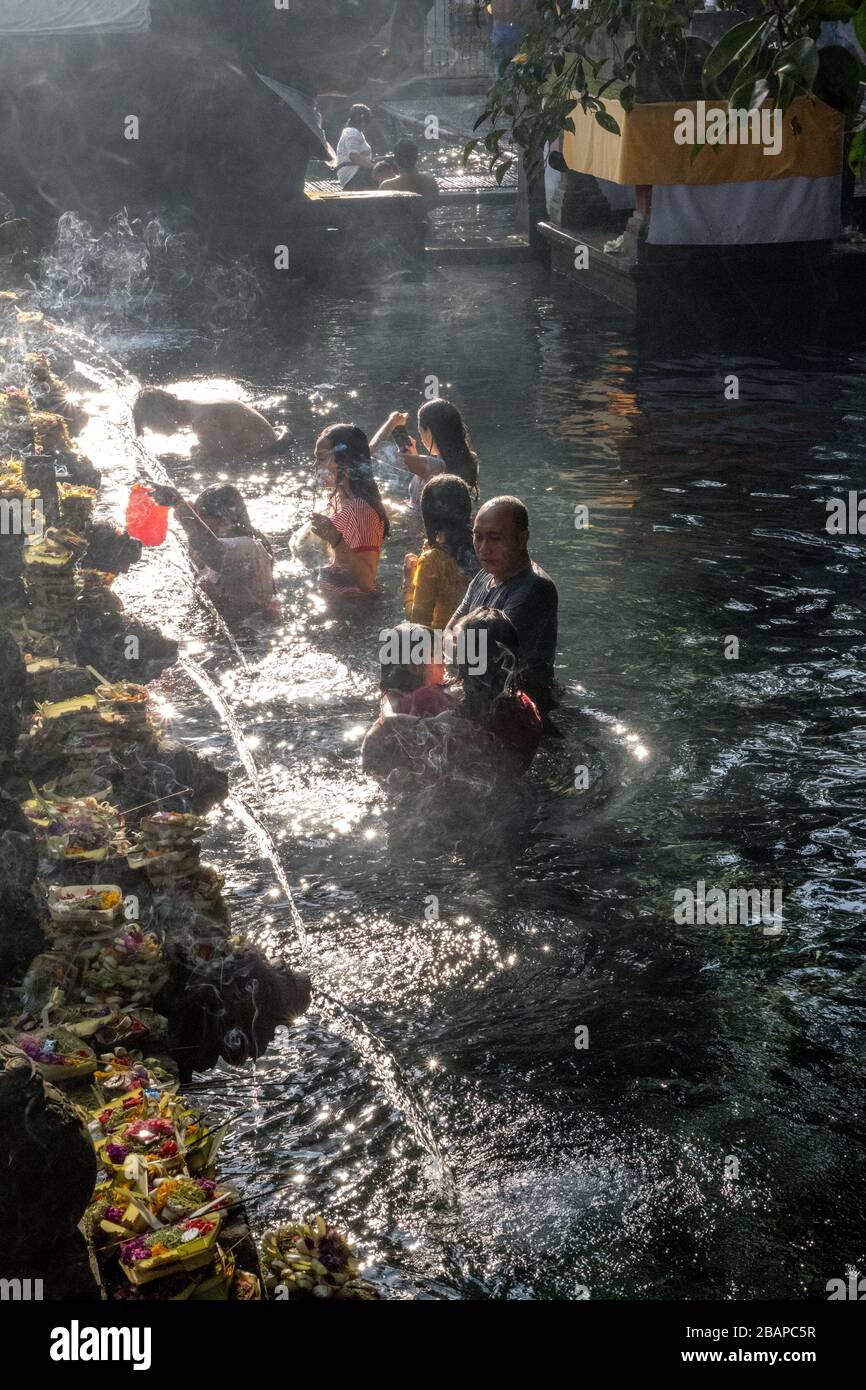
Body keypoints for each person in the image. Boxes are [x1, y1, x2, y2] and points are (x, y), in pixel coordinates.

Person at [448, 495, 558, 713]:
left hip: (517, 708)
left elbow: (490, 660)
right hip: (479, 694)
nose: (483, 548)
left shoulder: (534, 589)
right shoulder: (484, 576)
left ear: (521, 539)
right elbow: (450, 631)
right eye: (478, 537)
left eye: (495, 538)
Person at [152, 483, 276, 619]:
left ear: (225, 520)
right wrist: (185, 515)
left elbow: (212, 552)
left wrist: (179, 505)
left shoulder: (249, 548)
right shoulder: (214, 540)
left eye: (202, 518)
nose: (200, 523)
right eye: (197, 517)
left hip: (247, 632)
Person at [310, 424, 390, 595]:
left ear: (345, 461)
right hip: (334, 603)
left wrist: (336, 539)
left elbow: (366, 581)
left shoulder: (360, 510)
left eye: (321, 458)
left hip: (354, 611)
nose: (315, 466)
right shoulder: (337, 498)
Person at [371, 397, 479, 513]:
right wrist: (414, 455)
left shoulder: (433, 466)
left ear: (428, 431)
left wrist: (391, 422)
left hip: (419, 529)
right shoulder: (471, 458)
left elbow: (371, 451)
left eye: (420, 431)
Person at [403, 474, 478, 629]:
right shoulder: (483, 548)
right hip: (482, 642)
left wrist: (409, 585)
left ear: (428, 516)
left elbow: (419, 625)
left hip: (447, 646)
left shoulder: (432, 561)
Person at [133, 388, 290, 461]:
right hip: (276, 440)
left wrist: (201, 459)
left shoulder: (201, 423)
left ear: (161, 417)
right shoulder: (197, 402)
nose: (153, 432)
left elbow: (231, 462)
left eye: (150, 427)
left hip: (270, 457)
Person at [379, 138, 439, 207]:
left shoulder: (386, 186)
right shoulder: (430, 179)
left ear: (395, 160)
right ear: (417, 158)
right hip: (423, 217)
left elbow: (380, 211)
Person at [335, 104, 376, 191]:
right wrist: (375, 167)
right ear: (362, 119)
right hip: (353, 174)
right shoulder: (352, 132)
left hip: (356, 172)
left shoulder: (355, 132)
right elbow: (354, 156)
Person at [489, 0, 531, 74]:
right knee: (507, 58)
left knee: (505, 59)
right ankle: (504, 81)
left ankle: (503, 80)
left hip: (506, 27)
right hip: (506, 27)